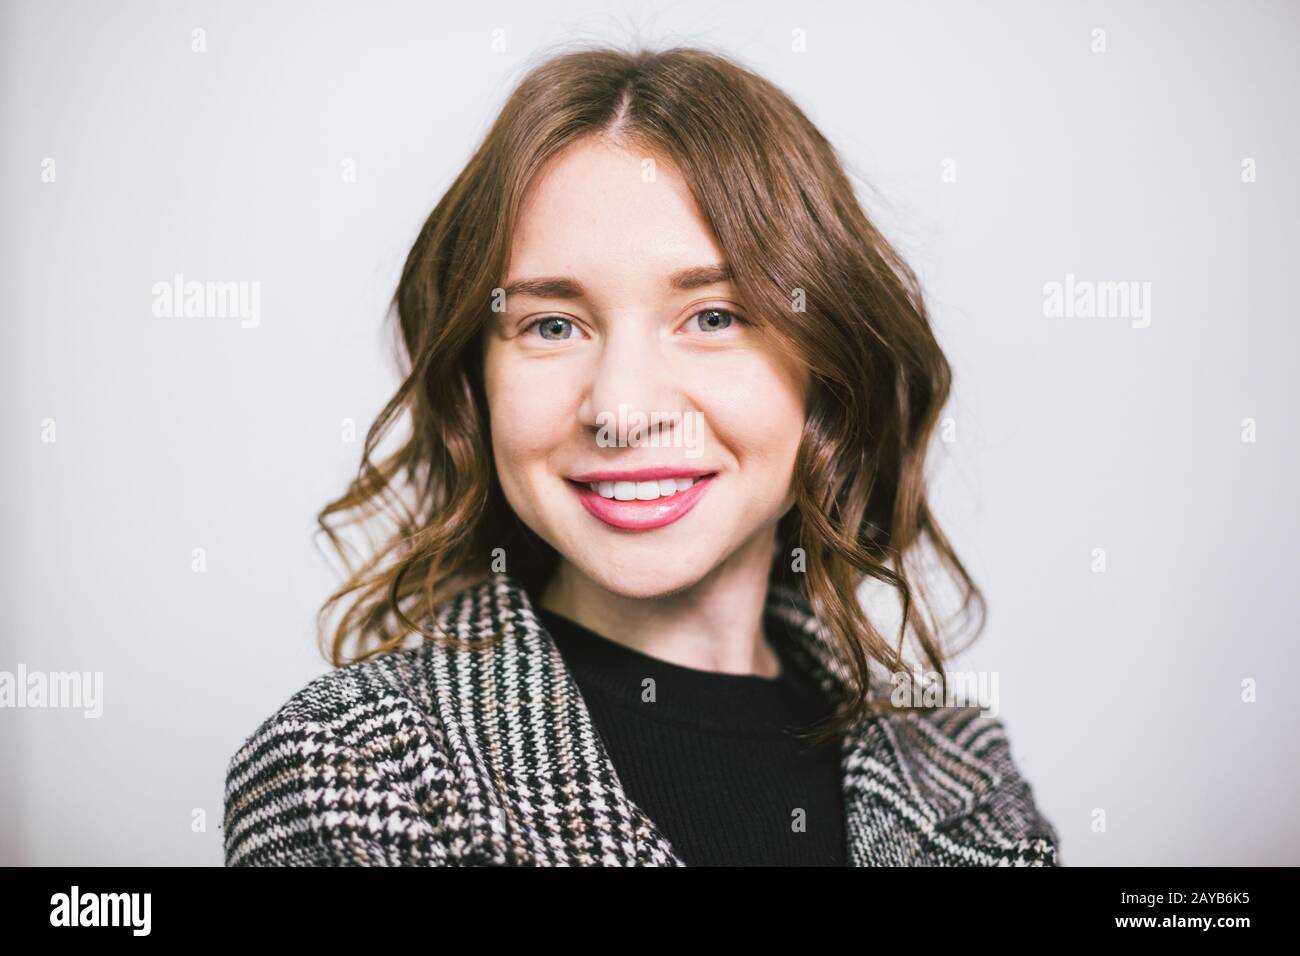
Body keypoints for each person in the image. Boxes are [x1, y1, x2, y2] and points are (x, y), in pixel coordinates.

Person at [223, 44, 1060, 867]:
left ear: (829, 369)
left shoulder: (962, 774)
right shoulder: (353, 768)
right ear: (476, 382)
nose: (621, 412)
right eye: (552, 326)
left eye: (714, 317)